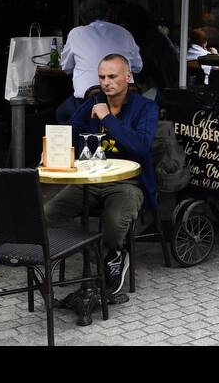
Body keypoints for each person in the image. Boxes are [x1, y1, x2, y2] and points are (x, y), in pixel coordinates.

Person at [46, 53, 158, 301]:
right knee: (48, 213)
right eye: (101, 77)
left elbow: (141, 146)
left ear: (128, 76)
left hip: (127, 182)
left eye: (112, 76)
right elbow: (68, 133)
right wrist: (53, 150)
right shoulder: (94, 101)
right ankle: (71, 255)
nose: (106, 82)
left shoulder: (145, 107)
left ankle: (115, 255)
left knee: (115, 222)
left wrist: (108, 118)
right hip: (90, 179)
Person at [58, 0, 143, 123]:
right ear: (108, 14)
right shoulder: (124, 33)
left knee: (61, 113)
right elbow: (138, 66)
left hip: (88, 102)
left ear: (82, 17)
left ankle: (76, 141)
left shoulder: (76, 33)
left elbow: (66, 67)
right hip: (124, 101)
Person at [117, 3, 181, 97]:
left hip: (156, 93)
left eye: (123, 25)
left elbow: (141, 72)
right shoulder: (158, 40)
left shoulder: (148, 45)